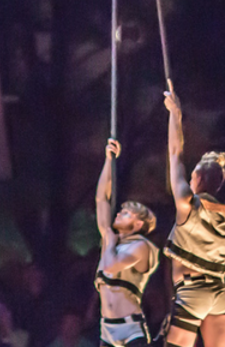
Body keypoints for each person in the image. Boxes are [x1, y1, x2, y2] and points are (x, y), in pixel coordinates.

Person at [162, 93, 225, 347]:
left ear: (199, 179)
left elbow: (175, 154)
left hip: (192, 291)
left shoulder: (188, 205)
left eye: (193, 173)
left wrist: (176, 116)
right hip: (219, 293)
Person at [93, 139, 159, 347]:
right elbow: (102, 199)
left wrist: (110, 241)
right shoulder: (110, 240)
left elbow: (112, 266)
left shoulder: (141, 247)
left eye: (126, 213)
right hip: (107, 329)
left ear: (138, 224)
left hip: (130, 329)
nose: (119, 213)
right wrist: (108, 161)